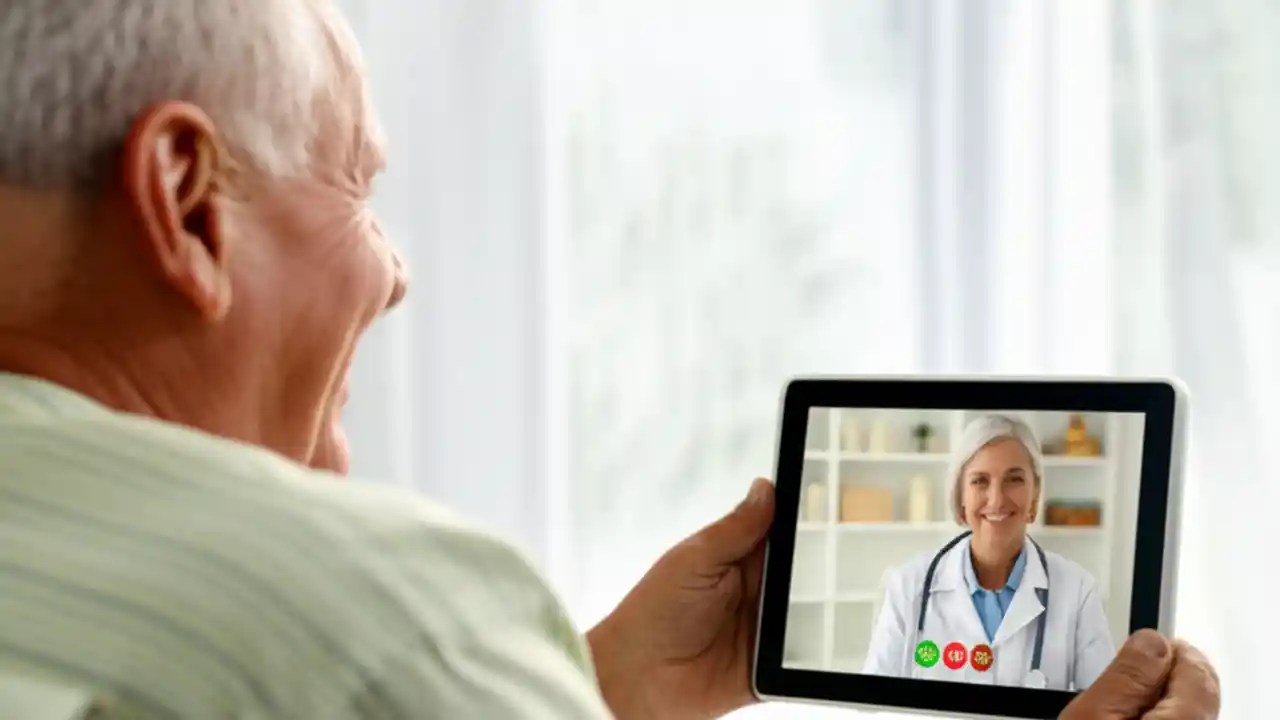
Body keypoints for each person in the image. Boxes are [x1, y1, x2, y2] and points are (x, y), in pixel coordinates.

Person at [0, 1, 1218, 718]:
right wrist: (465, 666)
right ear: (185, 203)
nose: (398, 271)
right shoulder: (372, 623)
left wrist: (585, 694)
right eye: (358, 189)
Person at [864, 415, 1114, 690]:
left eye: (1014, 479)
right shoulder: (907, 587)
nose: (996, 499)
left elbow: (1104, 708)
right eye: (980, 481)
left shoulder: (1078, 593)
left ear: (1035, 495)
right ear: (960, 497)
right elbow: (871, 709)